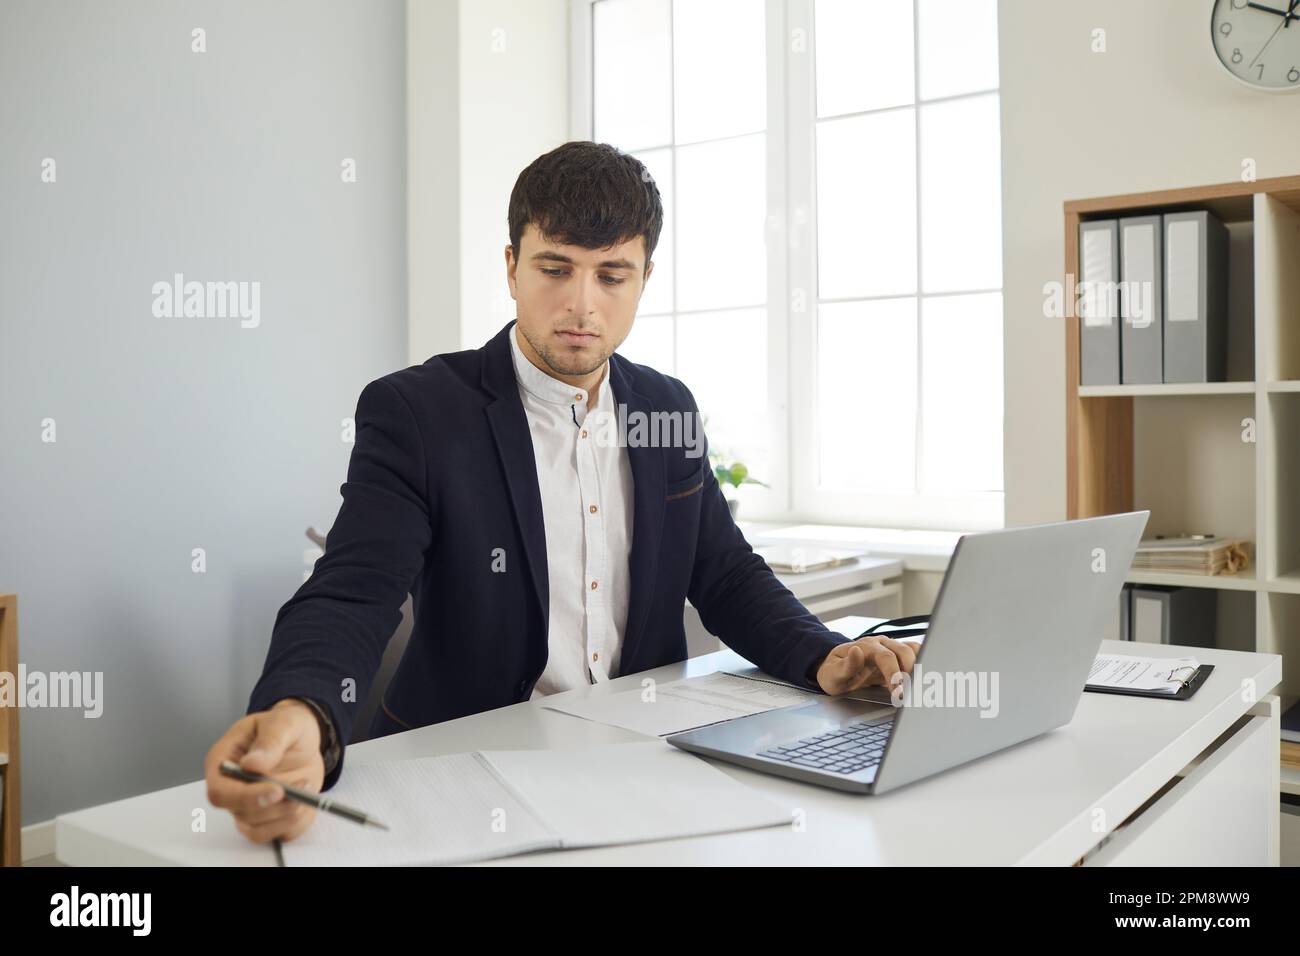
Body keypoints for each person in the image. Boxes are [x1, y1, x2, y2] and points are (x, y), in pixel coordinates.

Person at [204, 141, 918, 844]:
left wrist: (822, 653)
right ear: (512, 267)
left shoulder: (665, 407)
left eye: (612, 275)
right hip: (464, 772)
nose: (582, 304)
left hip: (646, 770)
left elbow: (725, 572)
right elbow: (352, 591)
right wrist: (301, 712)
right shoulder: (419, 413)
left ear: (644, 279)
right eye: (556, 268)